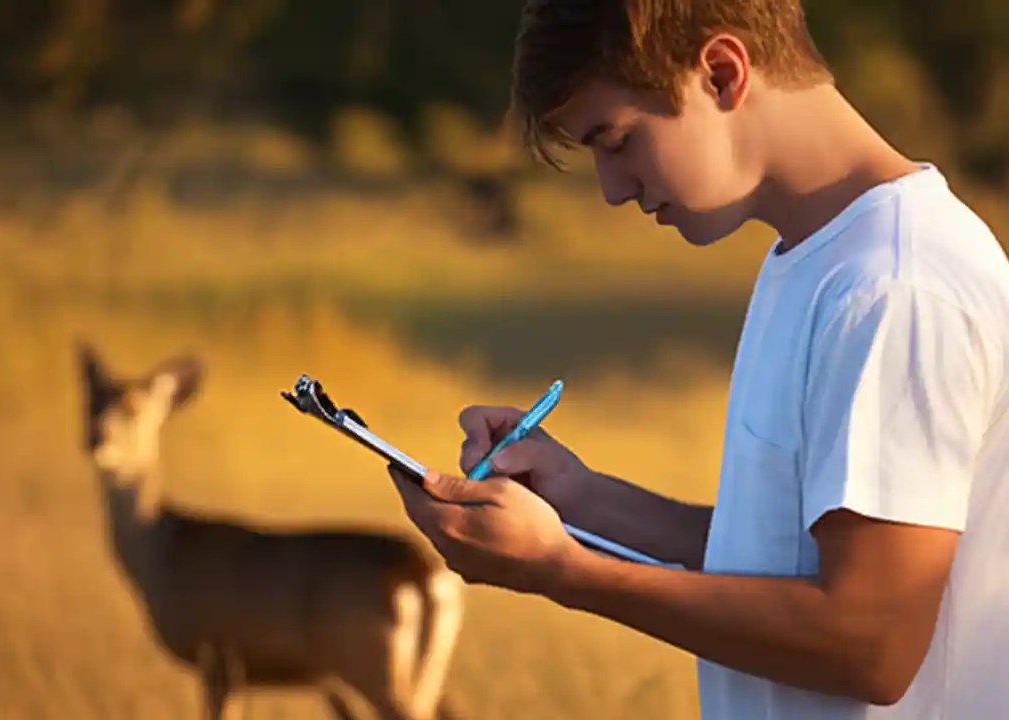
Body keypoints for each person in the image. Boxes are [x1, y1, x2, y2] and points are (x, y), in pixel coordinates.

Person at [386, 1, 1009, 718]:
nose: (612, 189)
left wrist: (564, 571)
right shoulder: (814, 262)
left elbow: (871, 643)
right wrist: (586, 500)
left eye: (615, 141)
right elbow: (788, 559)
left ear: (720, 72)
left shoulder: (895, 284)